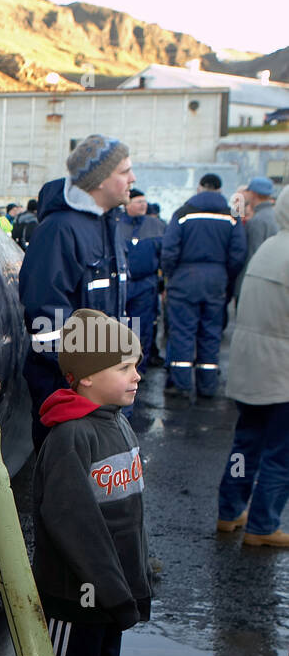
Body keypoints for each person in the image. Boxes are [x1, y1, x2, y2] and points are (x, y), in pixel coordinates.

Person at [18, 309, 151, 656]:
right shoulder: (71, 438)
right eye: (125, 366)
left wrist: (135, 584)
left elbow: (129, 517)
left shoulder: (116, 422)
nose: (137, 375)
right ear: (88, 376)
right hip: (77, 600)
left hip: (114, 596)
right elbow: (76, 528)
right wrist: (113, 590)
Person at [19, 135, 134, 449]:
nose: (132, 179)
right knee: (70, 483)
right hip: (74, 390)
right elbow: (46, 320)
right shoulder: (59, 231)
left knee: (106, 481)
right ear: (98, 181)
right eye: (124, 171)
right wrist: (86, 375)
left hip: (106, 383)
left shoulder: (109, 227)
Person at [215, 185, 289, 547]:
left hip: (252, 367)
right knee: (280, 453)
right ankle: (263, 526)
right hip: (282, 371)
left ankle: (230, 512)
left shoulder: (271, 246)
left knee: (246, 445)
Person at [160, 173, 247, 399]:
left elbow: (169, 250)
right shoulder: (232, 215)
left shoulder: (182, 214)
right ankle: (207, 386)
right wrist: (224, 276)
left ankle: (180, 385)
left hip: (184, 279)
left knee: (182, 332)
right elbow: (238, 253)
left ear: (200, 188)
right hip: (217, 279)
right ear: (220, 190)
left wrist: (171, 275)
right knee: (211, 333)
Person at [120, 187, 167, 369]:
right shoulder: (116, 225)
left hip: (146, 285)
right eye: (139, 201)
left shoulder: (156, 225)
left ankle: (138, 367)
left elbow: (165, 255)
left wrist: (162, 284)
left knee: (141, 328)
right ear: (127, 204)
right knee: (118, 327)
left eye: (144, 202)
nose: (143, 205)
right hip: (122, 285)